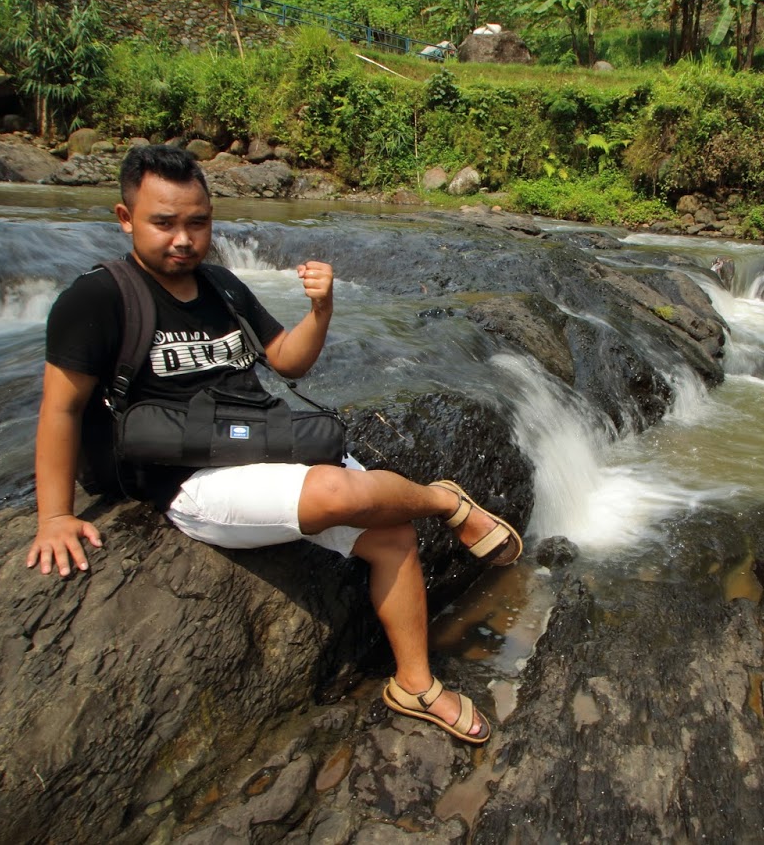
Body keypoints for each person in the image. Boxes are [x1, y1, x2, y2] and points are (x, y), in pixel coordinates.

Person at [27, 144, 522, 745]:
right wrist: (53, 515)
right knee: (345, 491)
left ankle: (413, 684)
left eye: (198, 222)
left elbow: (288, 361)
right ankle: (446, 503)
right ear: (125, 218)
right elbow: (62, 408)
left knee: (391, 534)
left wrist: (322, 307)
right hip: (188, 476)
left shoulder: (220, 285)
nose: (183, 239)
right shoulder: (98, 299)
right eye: (164, 223)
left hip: (261, 436)